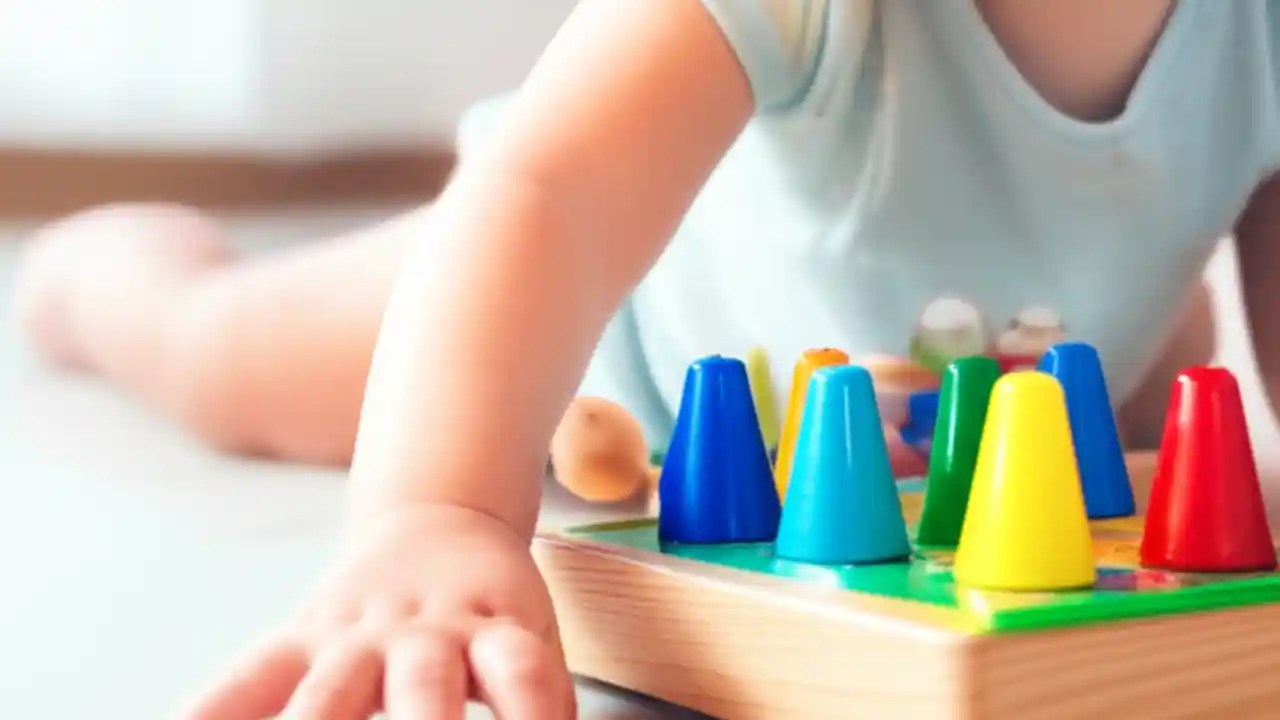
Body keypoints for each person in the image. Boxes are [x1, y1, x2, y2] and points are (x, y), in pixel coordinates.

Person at [14, 0, 1275, 716]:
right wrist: (436, 507)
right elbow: (549, 198)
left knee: (1153, 388)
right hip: (591, 334)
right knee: (239, 359)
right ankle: (114, 280)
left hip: (986, 406)